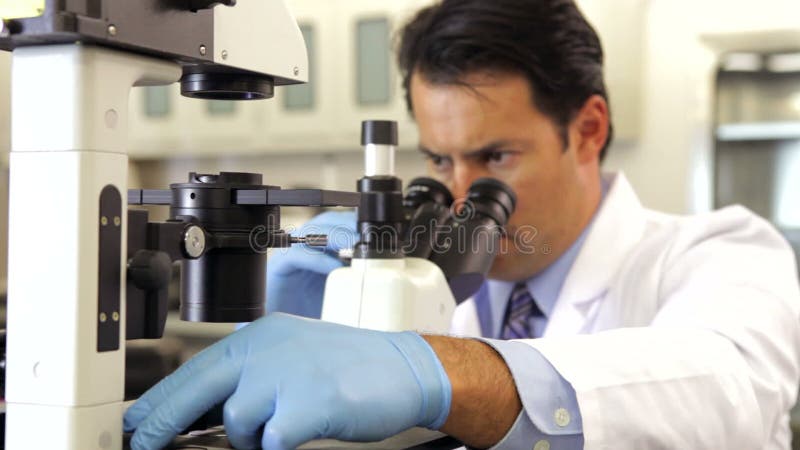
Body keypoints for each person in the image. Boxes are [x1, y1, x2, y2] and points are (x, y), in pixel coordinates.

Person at [123, 0, 800, 449]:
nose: (455, 195)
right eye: (437, 160)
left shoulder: (722, 252)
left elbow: (730, 389)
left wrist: (431, 371)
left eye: (494, 158)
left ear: (588, 130)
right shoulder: (427, 280)